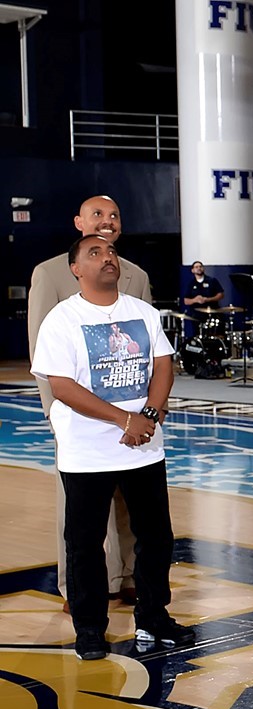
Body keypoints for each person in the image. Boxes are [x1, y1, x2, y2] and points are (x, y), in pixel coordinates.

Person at [30, 235, 195, 660]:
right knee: (84, 545)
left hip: (143, 448)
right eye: (94, 253)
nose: (107, 258)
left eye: (111, 252)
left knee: (156, 539)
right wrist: (124, 419)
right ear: (76, 269)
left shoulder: (142, 313)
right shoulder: (61, 320)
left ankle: (154, 617)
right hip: (87, 454)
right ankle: (89, 629)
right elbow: (62, 386)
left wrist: (150, 418)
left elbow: (162, 366)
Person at [27, 194, 151, 611]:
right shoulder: (49, 274)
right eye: (98, 214)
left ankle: (128, 576)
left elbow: (149, 350)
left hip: (129, 412)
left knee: (128, 502)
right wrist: (54, 413)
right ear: (79, 222)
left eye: (114, 215)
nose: (108, 220)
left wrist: (146, 411)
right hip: (79, 413)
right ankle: (76, 587)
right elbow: (39, 352)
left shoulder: (136, 276)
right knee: (78, 509)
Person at [181, 262, 225, 338]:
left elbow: (220, 294)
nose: (199, 268)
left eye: (200, 266)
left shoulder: (212, 281)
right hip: (196, 315)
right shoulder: (191, 283)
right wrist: (195, 300)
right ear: (192, 270)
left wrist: (208, 299)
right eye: (196, 267)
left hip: (212, 313)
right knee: (197, 335)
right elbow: (186, 300)